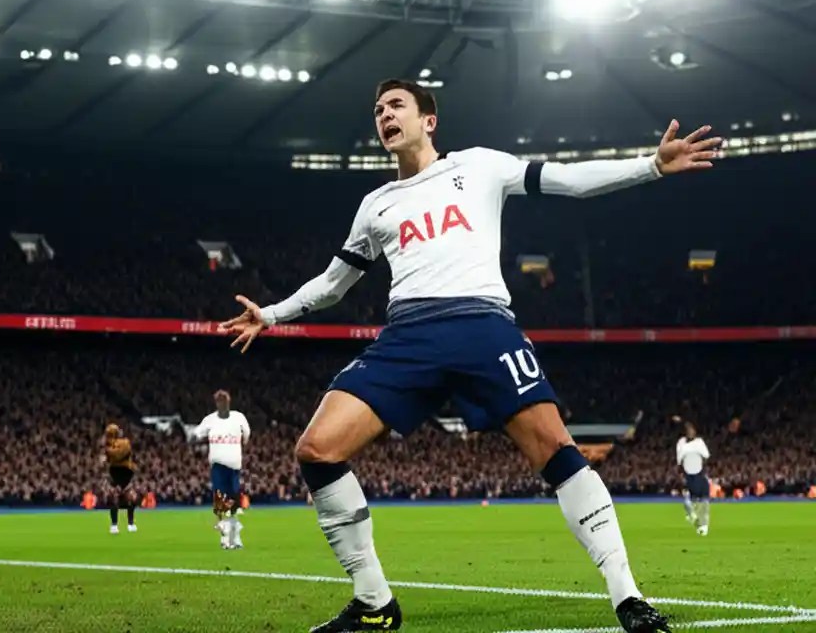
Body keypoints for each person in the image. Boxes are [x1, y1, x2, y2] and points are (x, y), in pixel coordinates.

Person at [219, 78, 720, 633]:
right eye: (378, 109)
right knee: (316, 450)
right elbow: (334, 284)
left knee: (557, 450)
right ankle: (374, 602)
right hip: (408, 335)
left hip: (482, 325)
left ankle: (628, 598)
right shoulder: (375, 205)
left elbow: (569, 180)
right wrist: (271, 314)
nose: (384, 115)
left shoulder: (480, 166)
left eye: (396, 105)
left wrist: (650, 166)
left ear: (428, 120)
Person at [192, 390, 251, 549]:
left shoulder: (238, 417)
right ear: (216, 403)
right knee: (220, 501)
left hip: (234, 466)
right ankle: (225, 538)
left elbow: (246, 435)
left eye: (224, 401)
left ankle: (235, 536)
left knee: (233, 500)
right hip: (218, 466)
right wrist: (193, 438)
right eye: (219, 401)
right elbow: (196, 433)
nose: (222, 404)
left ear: (228, 402)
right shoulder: (210, 420)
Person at [676, 421, 711, 536]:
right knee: (688, 501)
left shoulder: (699, 442)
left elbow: (706, 455)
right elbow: (679, 458)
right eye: (688, 430)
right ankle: (692, 516)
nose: (690, 432)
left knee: (705, 501)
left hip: (699, 474)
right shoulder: (681, 442)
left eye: (692, 430)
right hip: (687, 475)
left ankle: (704, 526)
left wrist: (689, 449)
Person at [103, 423, 139, 534]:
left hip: (125, 473)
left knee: (131, 499)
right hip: (114, 473)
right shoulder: (108, 444)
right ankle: (114, 525)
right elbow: (108, 459)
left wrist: (109, 452)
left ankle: (130, 523)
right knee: (113, 498)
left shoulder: (125, 442)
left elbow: (118, 455)